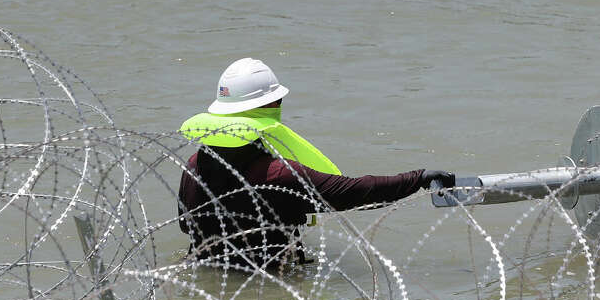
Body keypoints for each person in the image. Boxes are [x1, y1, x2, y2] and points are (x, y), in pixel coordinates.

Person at [178, 58, 455, 270]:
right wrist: (418, 178)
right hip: (267, 289)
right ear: (272, 106)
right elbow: (356, 192)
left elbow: (184, 225)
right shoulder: (277, 175)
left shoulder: (195, 164)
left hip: (205, 276)